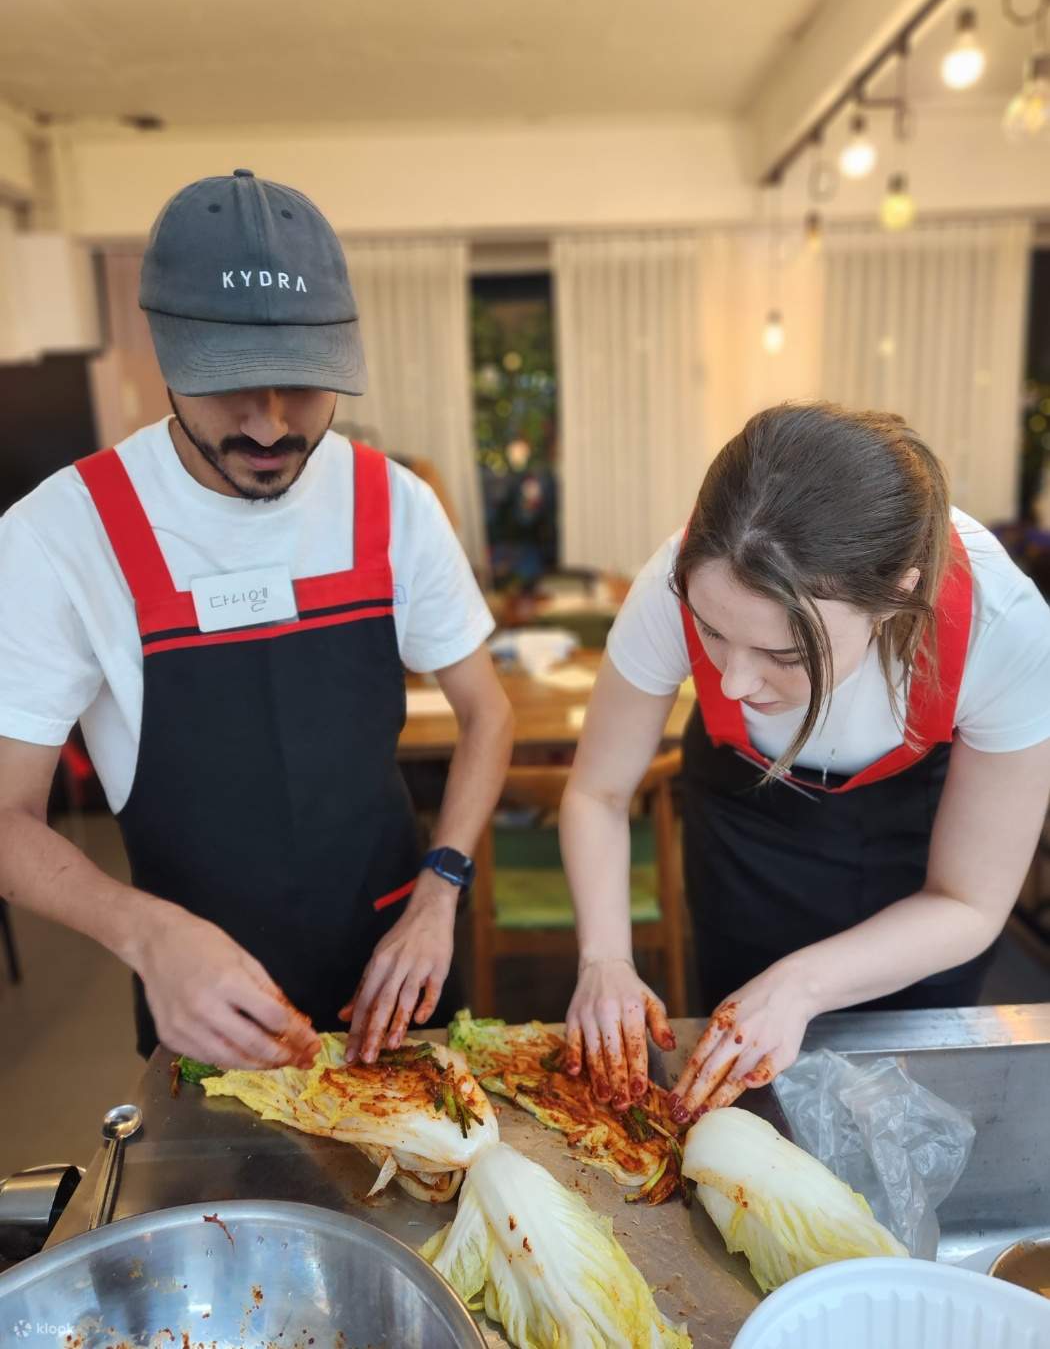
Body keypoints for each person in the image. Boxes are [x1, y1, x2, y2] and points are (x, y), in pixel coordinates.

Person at [0, 169, 513, 1071]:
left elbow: (488, 713)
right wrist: (145, 934)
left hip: (399, 984)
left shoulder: (392, 503)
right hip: (204, 1009)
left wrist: (441, 890)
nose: (271, 426)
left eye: (302, 383)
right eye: (230, 383)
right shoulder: (62, 535)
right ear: (166, 350)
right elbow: (9, 817)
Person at [559, 402, 1050, 1121]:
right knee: (746, 1099)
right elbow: (598, 793)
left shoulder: (1003, 628)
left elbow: (970, 902)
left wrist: (802, 984)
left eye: (784, 655)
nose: (731, 683)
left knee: (904, 1109)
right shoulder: (674, 579)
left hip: (919, 858)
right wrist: (604, 958)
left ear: (897, 596)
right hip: (747, 830)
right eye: (711, 632)